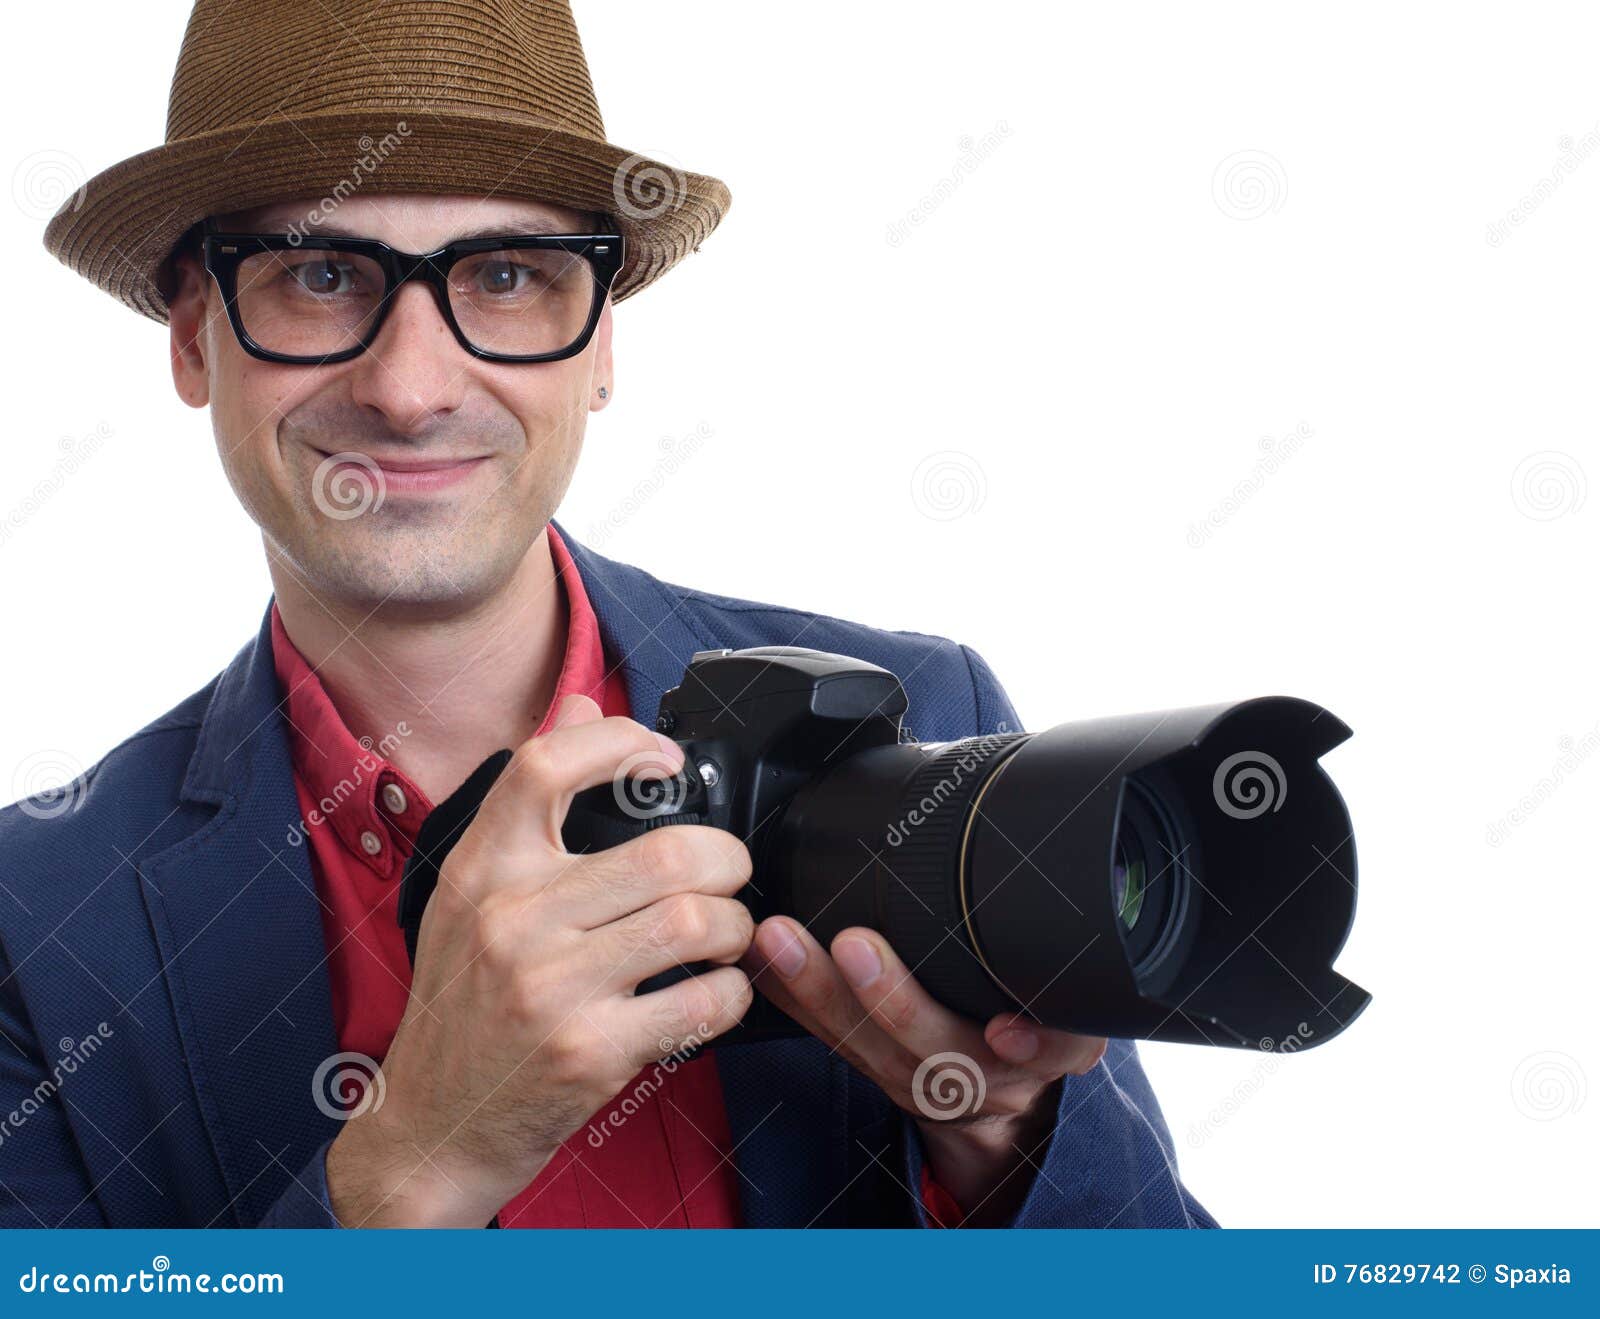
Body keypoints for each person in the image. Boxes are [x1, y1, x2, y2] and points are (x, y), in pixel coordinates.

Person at [2, 0, 1214, 1229]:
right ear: (197, 336)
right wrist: (409, 1167)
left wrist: (1003, 1145)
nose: (412, 391)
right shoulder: (35, 918)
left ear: (600, 344)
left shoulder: (922, 720)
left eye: (508, 275)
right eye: (321, 276)